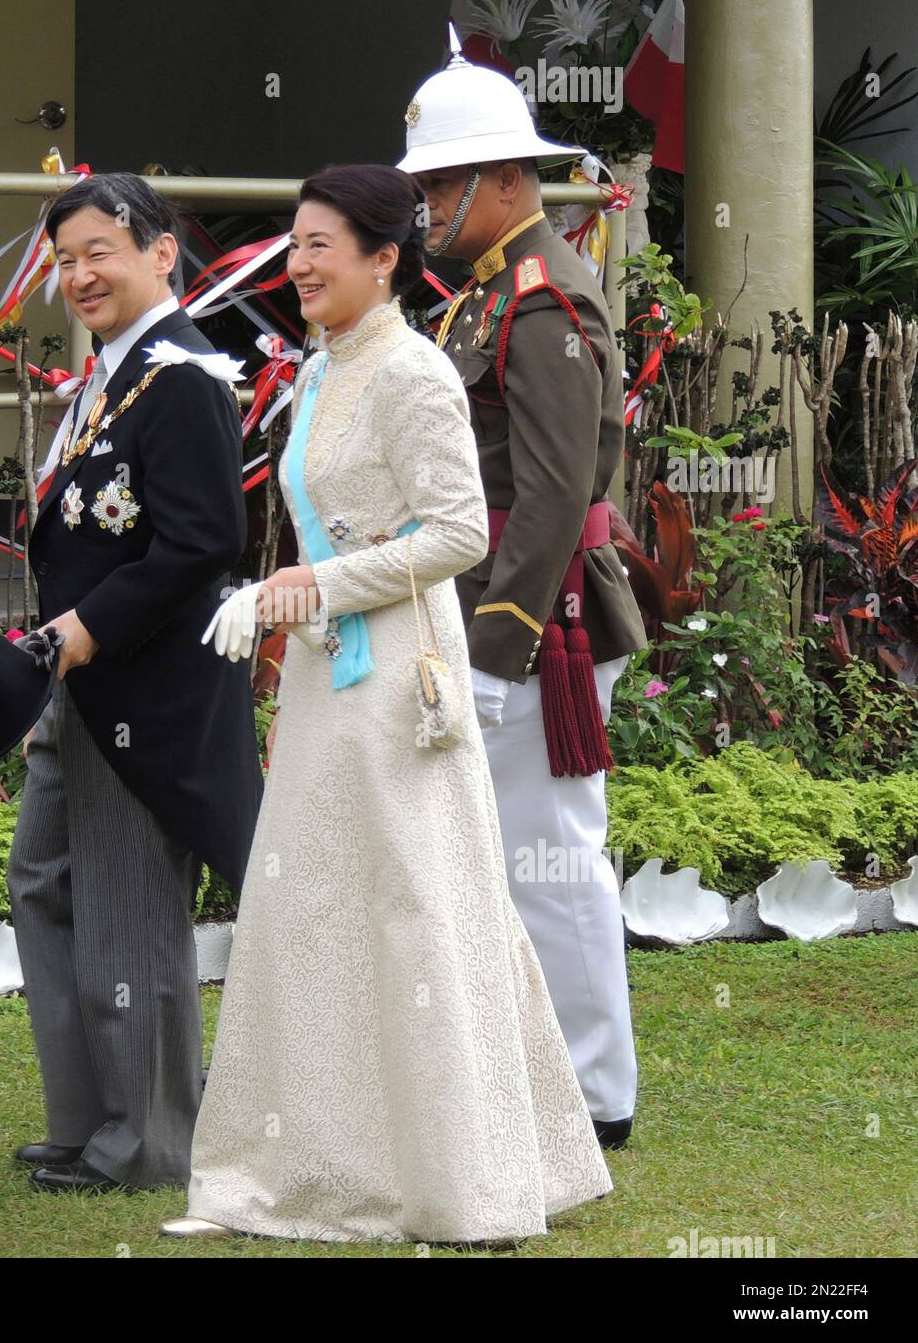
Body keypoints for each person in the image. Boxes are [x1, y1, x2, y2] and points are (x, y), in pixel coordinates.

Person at [159, 164, 613, 1244]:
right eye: (294, 244)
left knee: (418, 901)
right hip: (326, 669)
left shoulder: (412, 371)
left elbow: (456, 534)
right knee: (308, 902)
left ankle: (465, 1177)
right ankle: (301, 1163)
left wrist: (314, 584)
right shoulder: (320, 372)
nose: (301, 263)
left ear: (382, 259)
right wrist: (289, 593)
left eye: (323, 245)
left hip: (404, 673)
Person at [397, 39, 647, 1148]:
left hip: (541, 623)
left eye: (438, 185)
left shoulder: (540, 299)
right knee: (502, 858)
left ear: (506, 181)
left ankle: (596, 1092)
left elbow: (551, 500)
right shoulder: (481, 299)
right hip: (502, 606)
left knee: (552, 859)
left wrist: (494, 650)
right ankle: (537, 1067)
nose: (424, 207)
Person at [7, 172, 263, 1193]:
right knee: (44, 884)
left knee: (126, 913)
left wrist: (86, 625)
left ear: (161, 252)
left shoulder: (183, 375)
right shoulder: (110, 375)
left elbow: (204, 541)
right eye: (63, 259)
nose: (78, 276)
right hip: (78, 682)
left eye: (98, 251)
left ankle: (148, 1139)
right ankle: (86, 1118)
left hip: (145, 698)